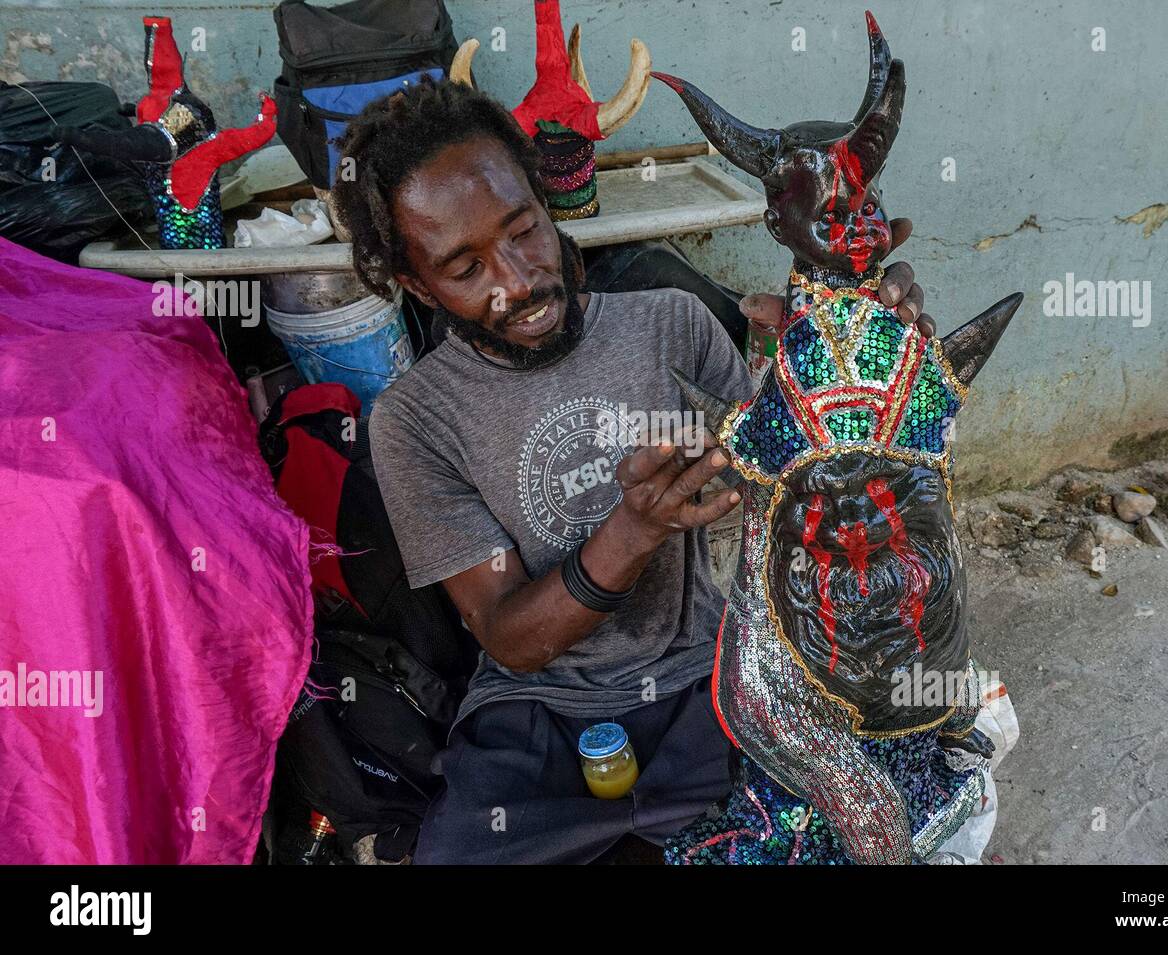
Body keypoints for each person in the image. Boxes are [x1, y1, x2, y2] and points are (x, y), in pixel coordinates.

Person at [332, 76, 933, 864]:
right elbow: (511, 637)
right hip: (534, 716)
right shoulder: (416, 419)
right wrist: (634, 529)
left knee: (856, 821)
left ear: (548, 205)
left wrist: (854, 369)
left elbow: (785, 494)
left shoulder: (670, 323)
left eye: (523, 231)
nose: (517, 281)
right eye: (466, 268)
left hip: (705, 679)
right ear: (416, 282)